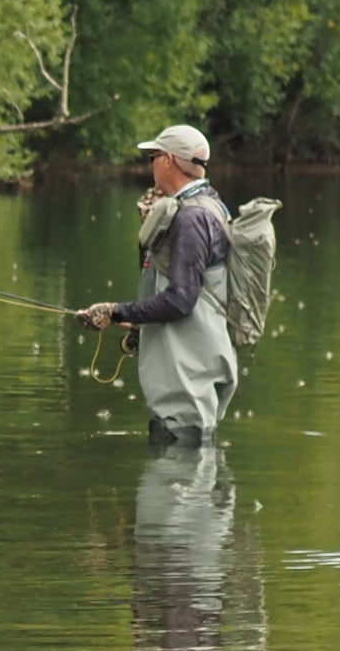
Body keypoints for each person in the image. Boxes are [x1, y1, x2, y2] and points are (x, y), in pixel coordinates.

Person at [77, 123, 238, 448]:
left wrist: (116, 310)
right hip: (190, 370)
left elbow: (181, 301)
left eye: (153, 156)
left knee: (180, 458)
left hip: (186, 379)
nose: (150, 165)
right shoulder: (208, 204)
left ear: (167, 161)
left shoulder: (191, 219)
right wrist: (131, 322)